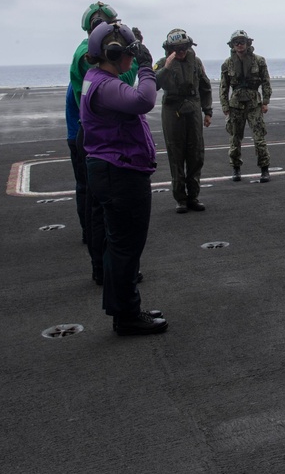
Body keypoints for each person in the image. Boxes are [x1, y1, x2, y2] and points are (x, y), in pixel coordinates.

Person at [80, 21, 168, 336]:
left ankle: (124, 308)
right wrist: (147, 67)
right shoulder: (105, 85)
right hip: (121, 174)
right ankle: (128, 316)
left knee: (119, 245)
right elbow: (143, 100)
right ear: (113, 52)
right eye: (128, 53)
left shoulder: (96, 79)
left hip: (111, 170)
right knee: (126, 246)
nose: (132, 58)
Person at [67, 1, 139, 284]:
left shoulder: (83, 51)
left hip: (83, 130)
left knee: (92, 199)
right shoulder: (89, 55)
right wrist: (136, 62)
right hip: (96, 134)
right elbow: (124, 86)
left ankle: (101, 261)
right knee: (102, 206)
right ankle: (104, 268)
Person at [155, 29, 213, 213]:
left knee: (196, 153)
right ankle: (180, 198)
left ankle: (193, 196)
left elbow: (205, 86)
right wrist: (166, 68)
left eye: (184, 48)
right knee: (176, 153)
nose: (181, 52)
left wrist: (208, 111)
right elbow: (153, 84)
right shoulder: (162, 63)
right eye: (177, 49)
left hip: (193, 109)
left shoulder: (195, 62)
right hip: (172, 111)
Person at [220, 30, 272, 183]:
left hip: (254, 104)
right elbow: (224, 87)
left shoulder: (259, 61)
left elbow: (266, 81)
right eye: (236, 42)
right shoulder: (227, 64)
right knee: (235, 139)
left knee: (259, 138)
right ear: (232, 45)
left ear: (248, 43)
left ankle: (264, 169)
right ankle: (236, 168)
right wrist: (225, 105)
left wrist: (265, 101)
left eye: (242, 41)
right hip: (235, 105)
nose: (239, 45)